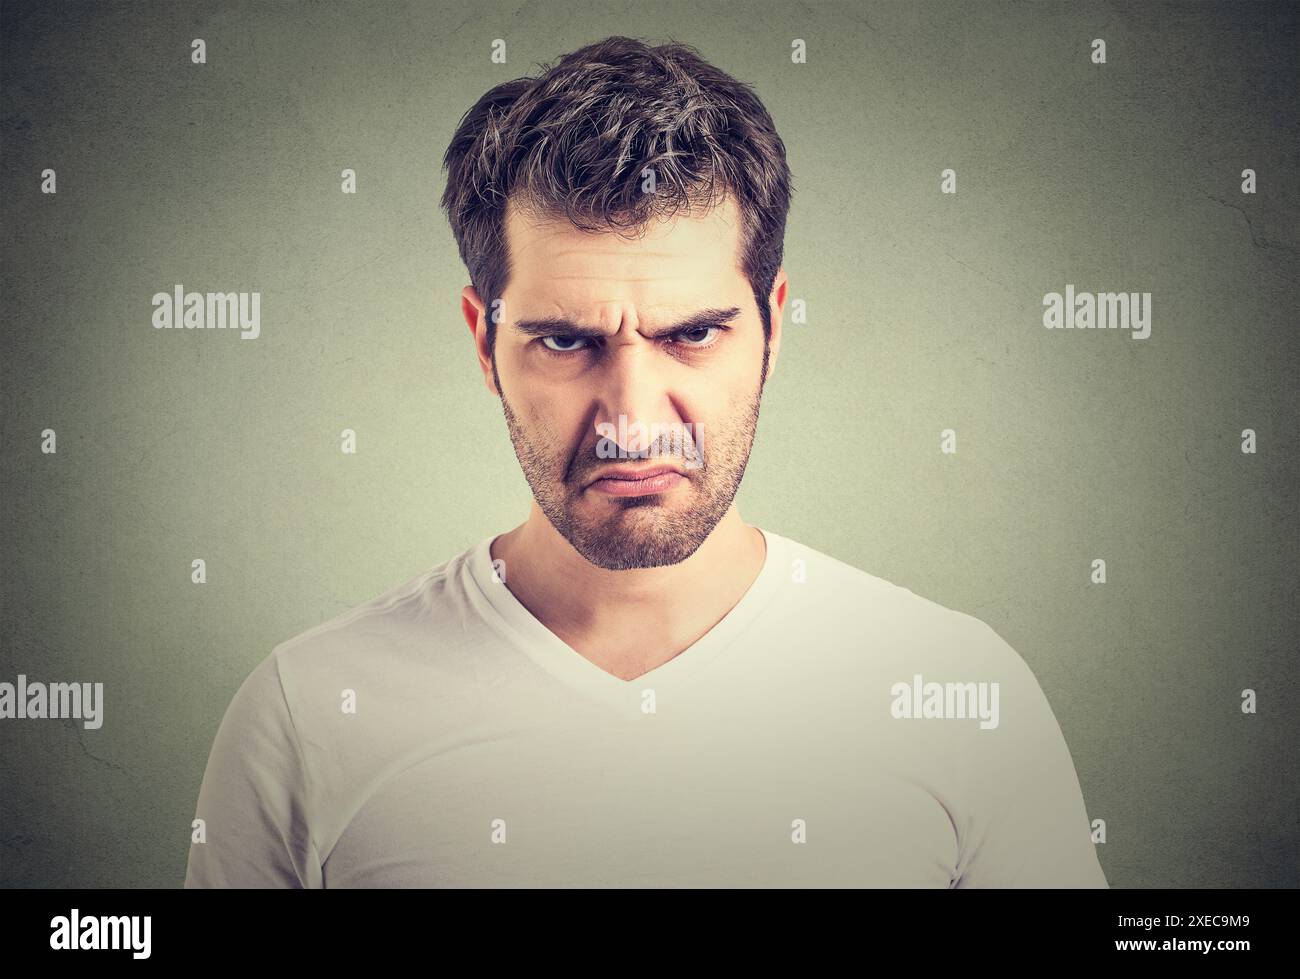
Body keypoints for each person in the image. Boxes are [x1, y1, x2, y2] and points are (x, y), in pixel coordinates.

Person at [185, 36, 1106, 888]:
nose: (630, 419)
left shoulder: (959, 696)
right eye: (563, 341)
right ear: (484, 341)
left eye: (694, 332)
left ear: (773, 328)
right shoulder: (306, 716)